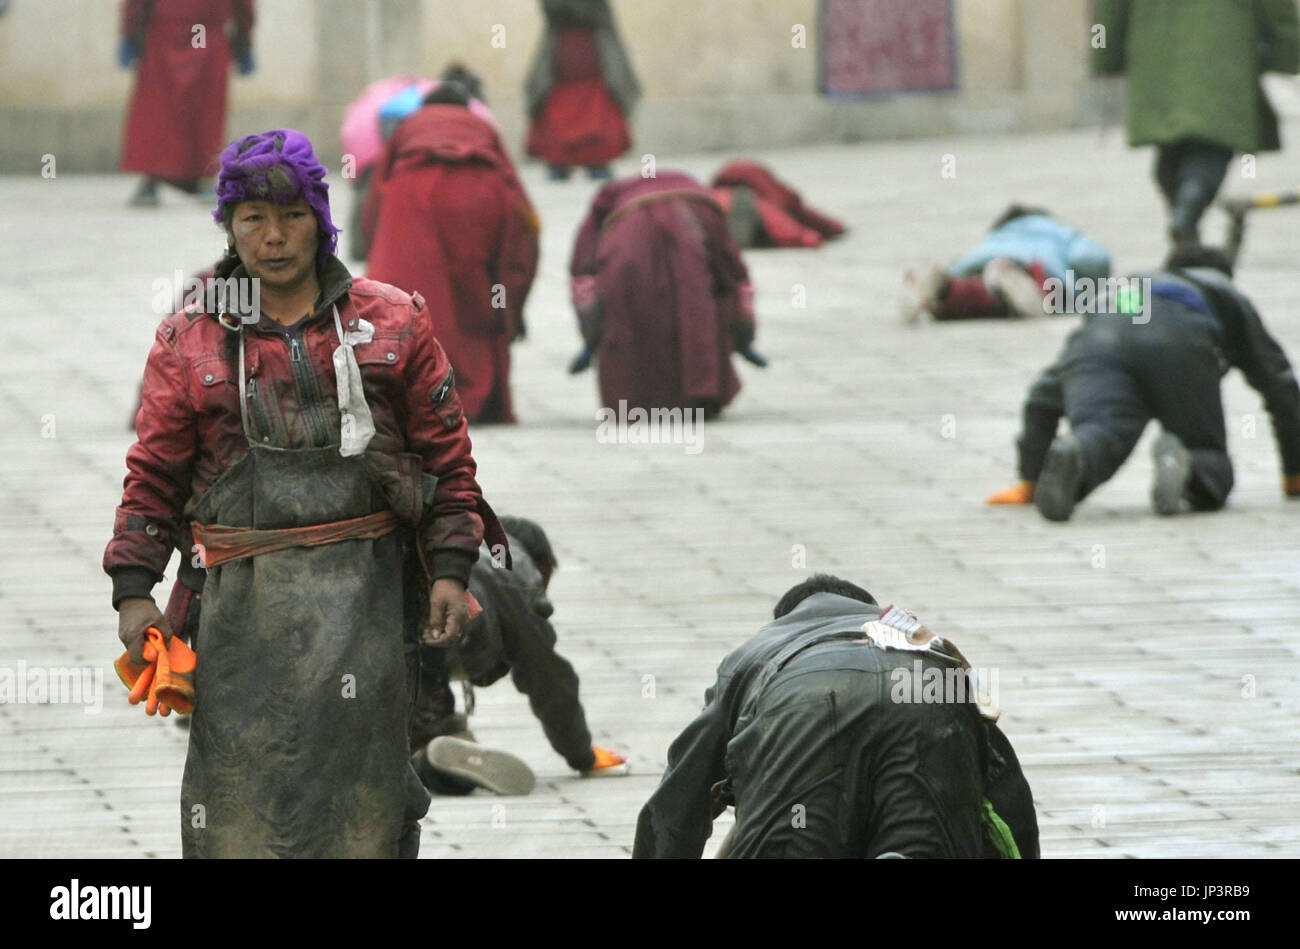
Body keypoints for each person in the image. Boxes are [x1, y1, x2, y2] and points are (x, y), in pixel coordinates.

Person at [104, 128, 507, 858]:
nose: (274, 236)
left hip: (369, 601)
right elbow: (155, 473)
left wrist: (450, 568)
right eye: (252, 218)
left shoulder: (392, 320)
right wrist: (135, 587)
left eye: (291, 216)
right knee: (240, 809)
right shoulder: (189, 338)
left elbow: (447, 460)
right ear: (229, 225)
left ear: (321, 220)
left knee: (367, 809)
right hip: (239, 611)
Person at [632, 575, 1038, 859]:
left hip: (803, 707)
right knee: (919, 839)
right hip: (926, 703)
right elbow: (1005, 792)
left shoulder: (759, 651)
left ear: (785, 618)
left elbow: (681, 797)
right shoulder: (931, 649)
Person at [986, 246, 1300, 521]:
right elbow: (1279, 383)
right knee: (1207, 453)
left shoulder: (1129, 284)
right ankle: (1190, 465)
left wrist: (1030, 476)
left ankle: (1078, 451)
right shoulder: (1222, 289)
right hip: (1180, 336)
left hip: (1100, 338)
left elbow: (1044, 395)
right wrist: (1294, 471)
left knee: (1103, 430)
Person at [410, 515, 628, 796]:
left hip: (387, 632)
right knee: (438, 749)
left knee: (391, 721)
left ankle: (402, 752)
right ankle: (430, 758)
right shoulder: (517, 573)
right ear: (541, 565)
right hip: (435, 641)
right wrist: (582, 754)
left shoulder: (461, 545)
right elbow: (547, 677)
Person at [364, 83, 539, 425]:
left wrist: (375, 241)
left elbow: (373, 204)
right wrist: (511, 307)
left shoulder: (408, 129)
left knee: (419, 296)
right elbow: (520, 215)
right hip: (483, 193)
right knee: (480, 293)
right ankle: (480, 395)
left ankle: (423, 395)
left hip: (411, 193)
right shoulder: (483, 127)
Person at [1093, 0, 1299, 248]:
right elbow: (1279, 13)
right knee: (1210, 148)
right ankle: (1187, 215)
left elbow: (1108, 13)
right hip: (1223, 56)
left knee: (1172, 150)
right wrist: (1283, 53)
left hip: (1157, 60)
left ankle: (1185, 230)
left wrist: (1104, 55)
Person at [569, 170, 757, 417]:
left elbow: (583, 275)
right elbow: (735, 274)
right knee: (700, 303)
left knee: (626, 316)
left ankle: (638, 402)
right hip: (695, 220)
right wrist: (744, 332)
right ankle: (701, 393)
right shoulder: (700, 201)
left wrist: (591, 336)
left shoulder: (605, 208)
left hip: (625, 249)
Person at [118, 0, 255, 207]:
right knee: (203, 108)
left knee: (160, 106)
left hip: (172, 31)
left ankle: (156, 179)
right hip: (199, 32)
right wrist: (244, 38)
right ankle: (196, 177)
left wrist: (130, 31)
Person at [902, 205, 1111, 322]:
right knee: (1043, 287)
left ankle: (941, 290)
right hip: (1038, 267)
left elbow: (966, 259)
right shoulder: (1057, 231)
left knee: (975, 294)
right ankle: (1013, 278)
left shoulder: (998, 236)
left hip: (983, 262)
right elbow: (1093, 259)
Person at [525, 0, 640, 180]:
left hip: (595, 77)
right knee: (556, 123)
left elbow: (600, 18)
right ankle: (559, 166)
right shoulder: (556, 14)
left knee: (597, 126)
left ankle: (597, 165)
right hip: (560, 77)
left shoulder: (598, 13)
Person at [710, 159, 846, 249]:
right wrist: (807, 236)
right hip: (737, 229)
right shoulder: (757, 200)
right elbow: (804, 234)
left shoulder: (710, 195)